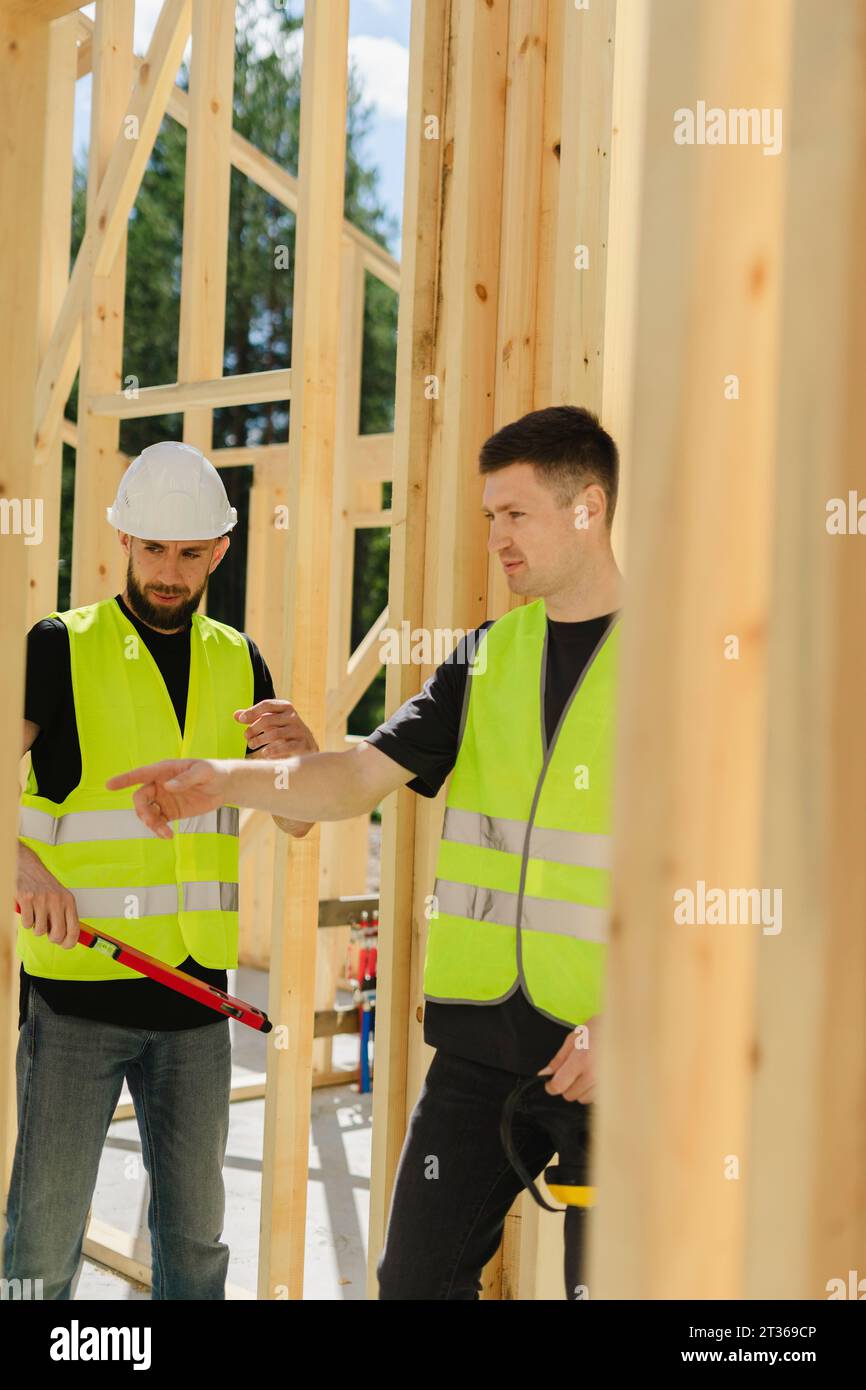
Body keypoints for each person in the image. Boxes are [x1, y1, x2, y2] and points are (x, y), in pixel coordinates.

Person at [106, 406, 625, 1300]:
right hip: (479, 1049)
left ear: (589, 509)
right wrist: (224, 779)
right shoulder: (488, 658)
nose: (496, 538)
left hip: (607, 1055)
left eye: (516, 515)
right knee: (413, 1283)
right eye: (488, 516)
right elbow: (350, 779)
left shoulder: (682, 664)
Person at [3, 441, 317, 1301]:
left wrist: (304, 760)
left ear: (220, 549)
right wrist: (22, 867)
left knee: (195, 1244)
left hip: (194, 1002)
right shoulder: (59, 646)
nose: (169, 573)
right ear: (123, 543)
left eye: (189, 553)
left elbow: (293, 817)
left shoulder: (238, 660)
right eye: (153, 550)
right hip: (78, 994)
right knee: (41, 1237)